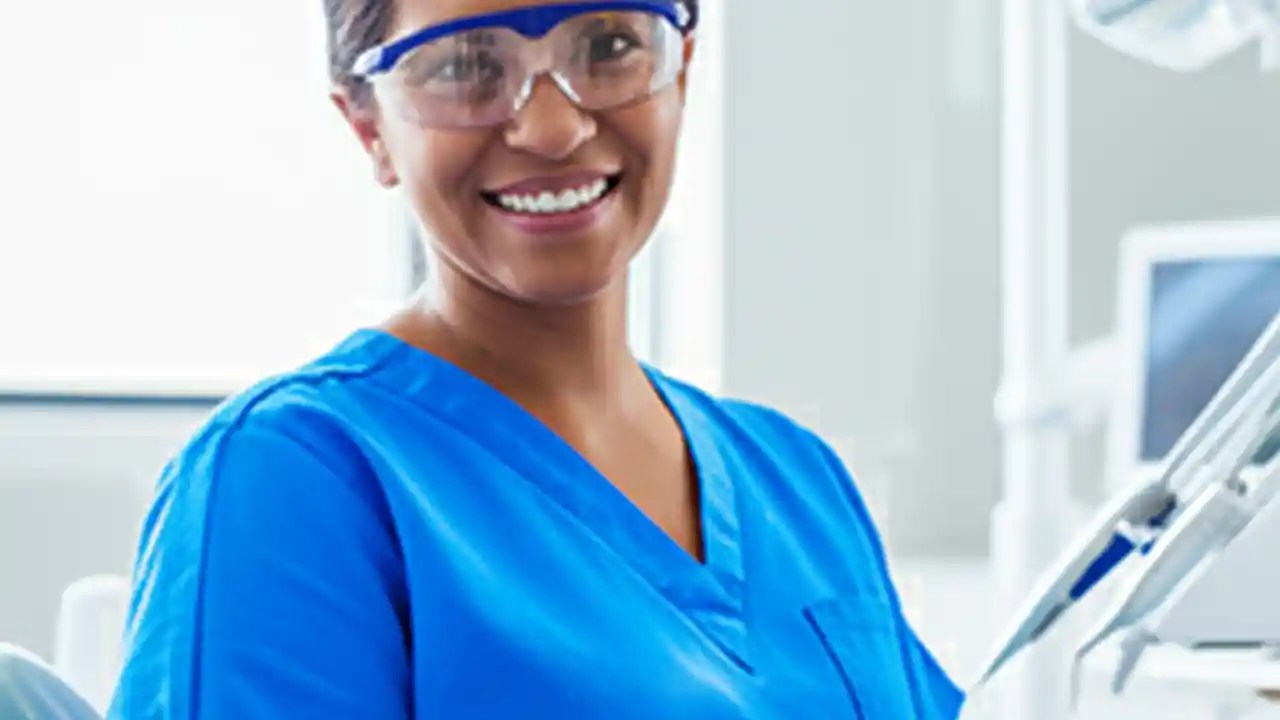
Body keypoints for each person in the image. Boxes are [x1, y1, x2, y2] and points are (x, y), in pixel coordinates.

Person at [108, 1, 965, 717]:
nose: (554, 126)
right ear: (367, 125)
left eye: (608, 46)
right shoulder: (297, 477)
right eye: (465, 66)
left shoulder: (799, 482)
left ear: (682, 70)